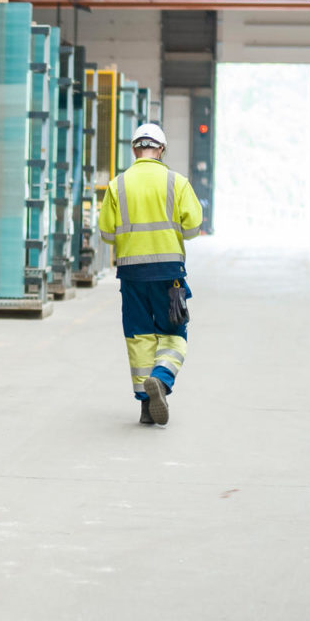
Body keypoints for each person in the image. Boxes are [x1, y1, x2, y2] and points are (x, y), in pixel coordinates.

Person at [97, 123, 203, 425]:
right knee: (174, 333)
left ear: (134, 150)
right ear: (162, 150)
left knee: (139, 335)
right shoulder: (176, 182)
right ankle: (161, 378)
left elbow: (106, 234)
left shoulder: (118, 185)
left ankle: (145, 406)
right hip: (169, 272)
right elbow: (193, 227)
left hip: (131, 273)